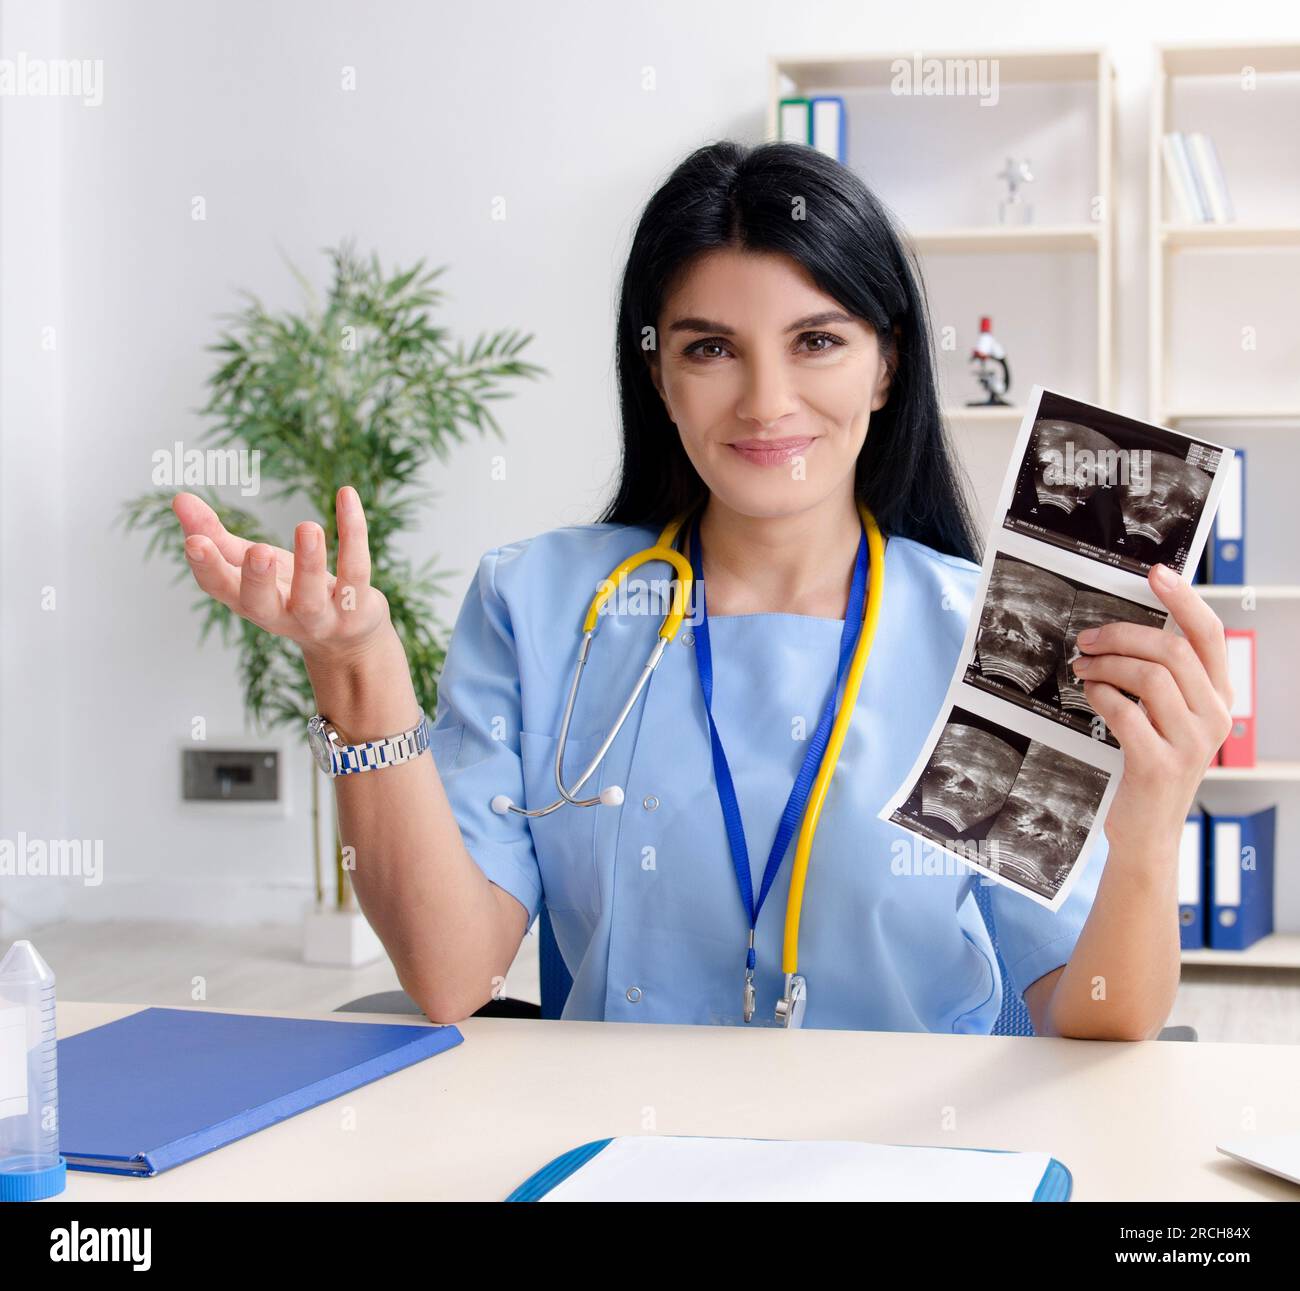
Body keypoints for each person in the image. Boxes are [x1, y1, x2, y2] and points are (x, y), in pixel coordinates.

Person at [171, 141, 1233, 1037]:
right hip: (623, 1160)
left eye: (817, 341)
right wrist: (357, 669)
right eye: (711, 348)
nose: (767, 401)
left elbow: (1089, 1011)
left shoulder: (992, 637)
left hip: (913, 1170)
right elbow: (451, 978)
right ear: (658, 374)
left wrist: (1147, 817)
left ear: (886, 365)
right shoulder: (539, 606)